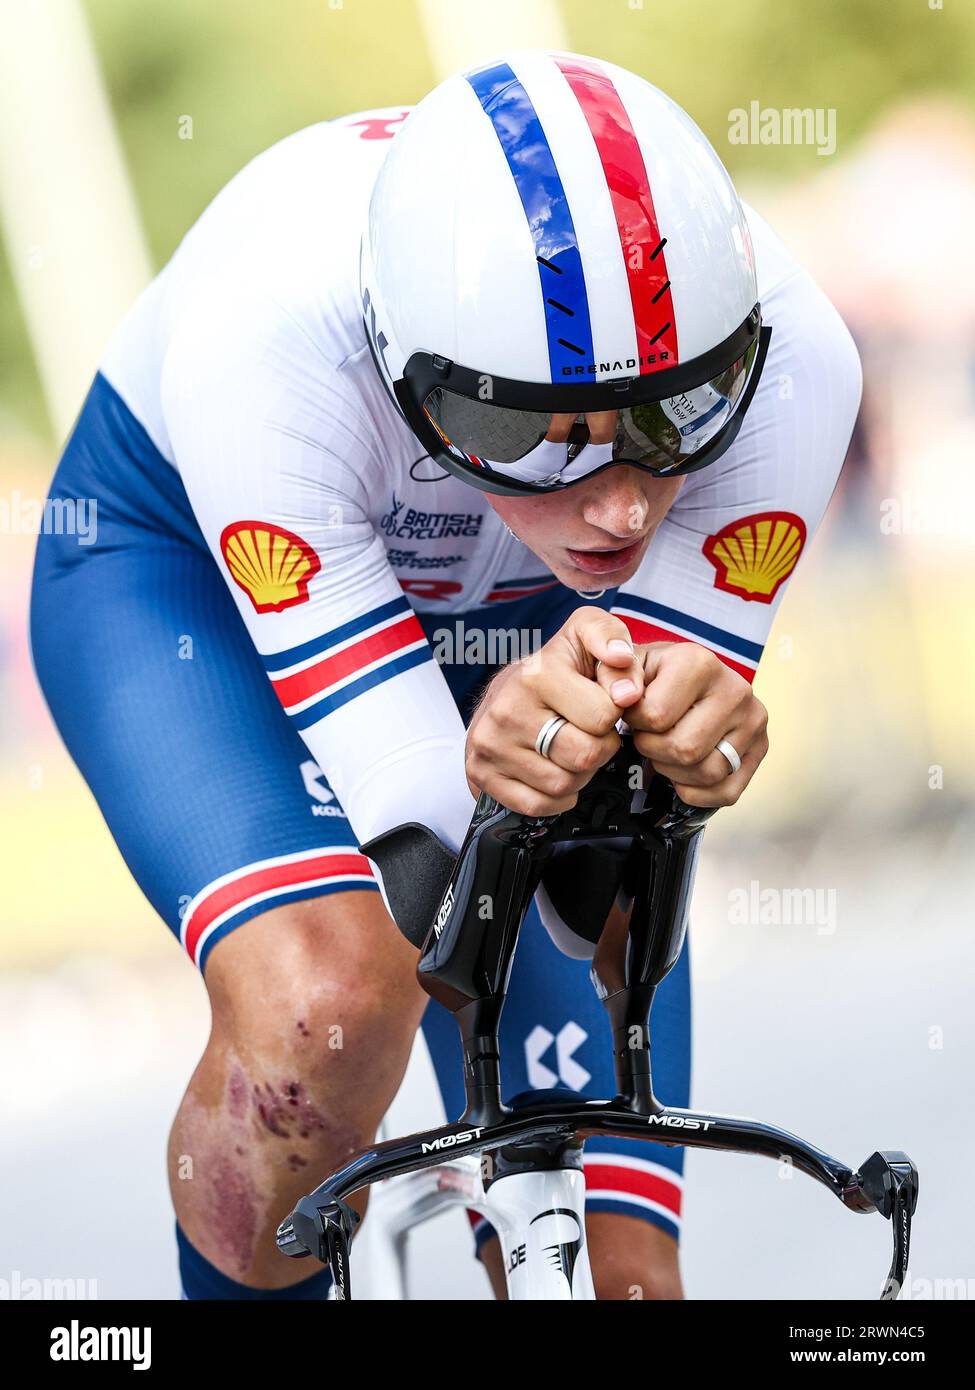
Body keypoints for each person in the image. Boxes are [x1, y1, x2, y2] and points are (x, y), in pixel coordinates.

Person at [30, 51, 861, 1300]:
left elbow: (599, 901)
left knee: (616, 1278)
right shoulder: (268, 338)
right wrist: (499, 760)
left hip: (521, 610)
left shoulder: (797, 367)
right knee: (328, 1003)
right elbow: (426, 848)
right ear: (404, 375)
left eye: (676, 416)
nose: (624, 503)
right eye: (532, 432)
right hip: (184, 573)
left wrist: (671, 768)